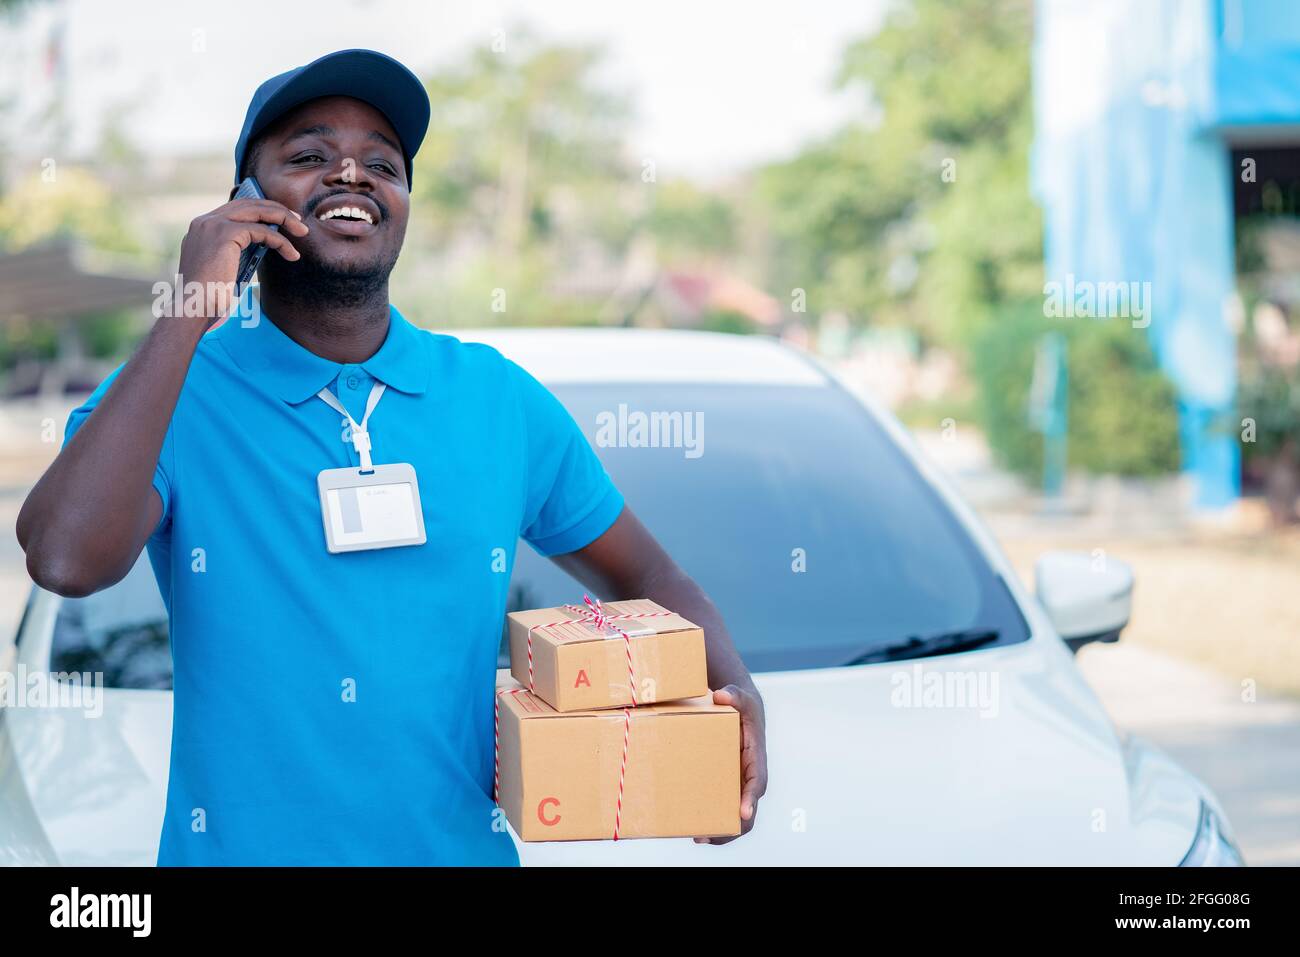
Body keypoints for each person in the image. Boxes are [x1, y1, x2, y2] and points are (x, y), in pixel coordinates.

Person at [16, 49, 767, 866]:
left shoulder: (496, 398)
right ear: (243, 204)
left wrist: (734, 693)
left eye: (383, 163)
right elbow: (64, 556)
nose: (351, 174)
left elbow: (654, 579)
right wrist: (190, 307)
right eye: (307, 156)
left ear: (404, 203)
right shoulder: (176, 390)